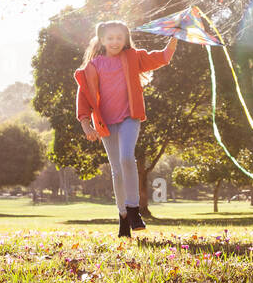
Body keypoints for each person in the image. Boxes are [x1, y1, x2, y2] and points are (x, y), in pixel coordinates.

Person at [73, 20, 177, 237]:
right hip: (106, 123)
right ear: (102, 40)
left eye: (119, 38)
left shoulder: (133, 57)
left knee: (127, 159)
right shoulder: (93, 66)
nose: (115, 42)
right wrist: (85, 123)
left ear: (125, 39)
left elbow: (163, 56)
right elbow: (83, 97)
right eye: (110, 38)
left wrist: (176, 36)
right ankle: (122, 217)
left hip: (130, 117)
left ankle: (133, 210)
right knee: (117, 170)